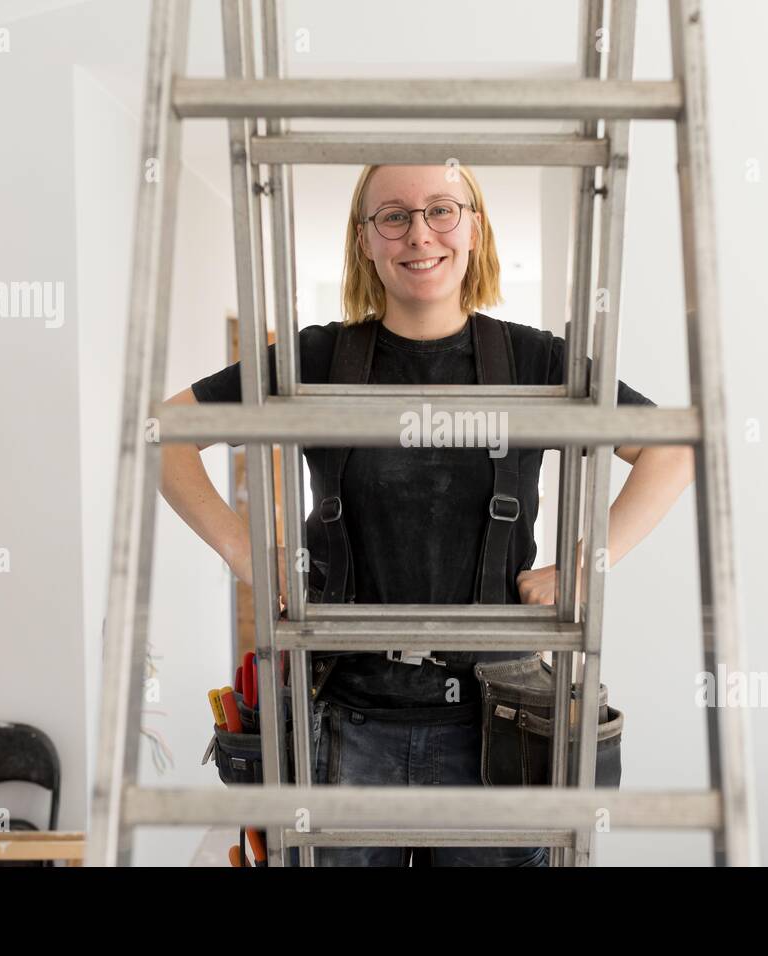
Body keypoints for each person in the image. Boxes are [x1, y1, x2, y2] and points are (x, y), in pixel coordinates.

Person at [160, 162, 695, 866]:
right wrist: (246, 553)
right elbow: (163, 436)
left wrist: (581, 569)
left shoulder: (537, 361)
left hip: (499, 727)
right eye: (394, 216)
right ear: (365, 239)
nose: (420, 234)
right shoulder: (313, 359)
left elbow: (671, 451)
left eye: (443, 210)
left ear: (474, 227)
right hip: (343, 724)